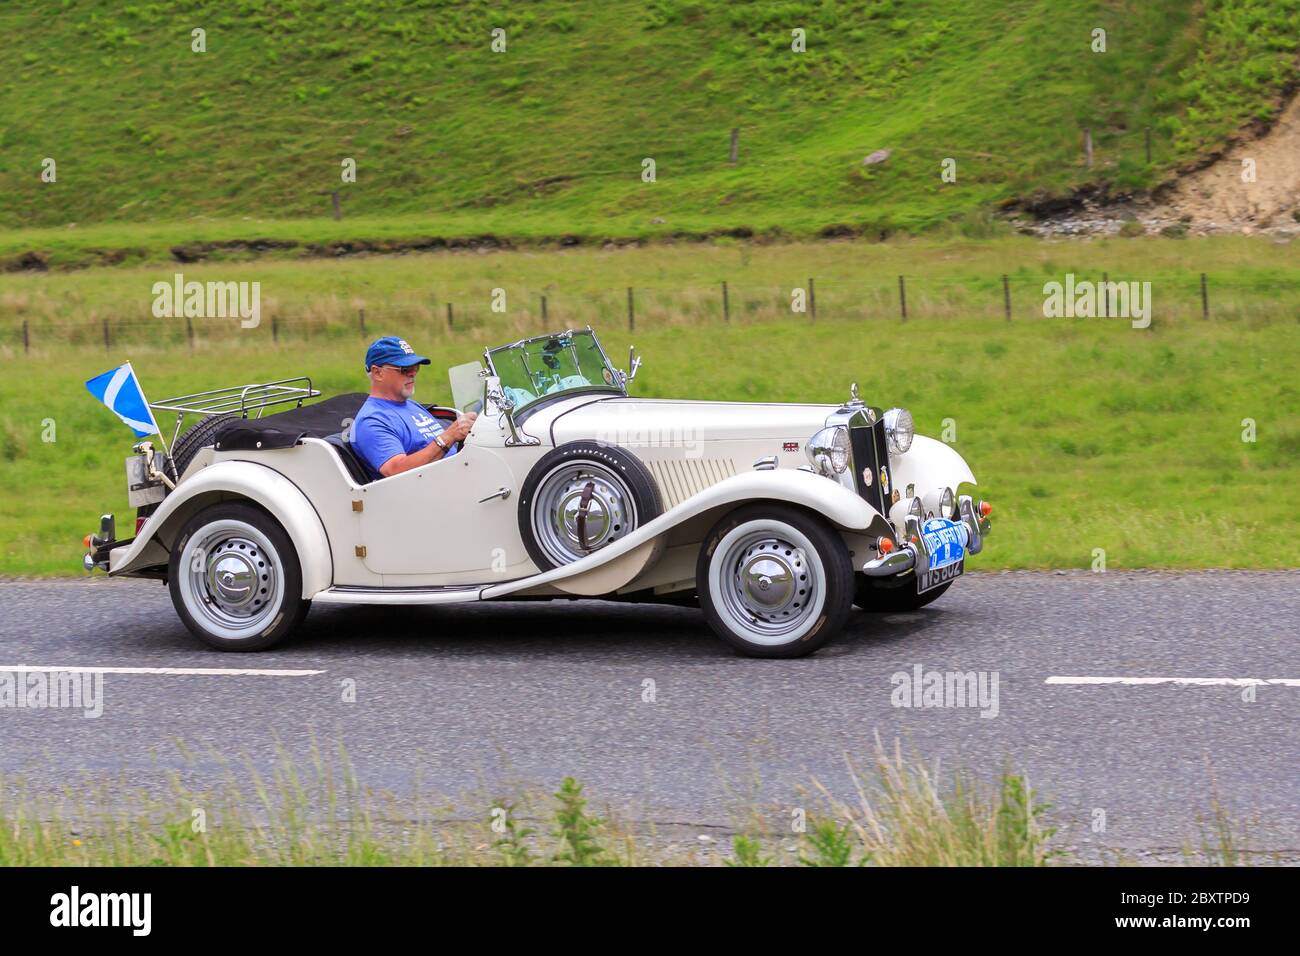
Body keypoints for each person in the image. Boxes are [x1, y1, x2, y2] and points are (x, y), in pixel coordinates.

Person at [351, 336, 477, 478]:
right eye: (404, 369)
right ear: (378, 373)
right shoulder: (372, 420)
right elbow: (395, 470)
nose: (413, 373)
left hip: (459, 475)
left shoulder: (410, 404)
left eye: (415, 367)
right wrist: (448, 436)